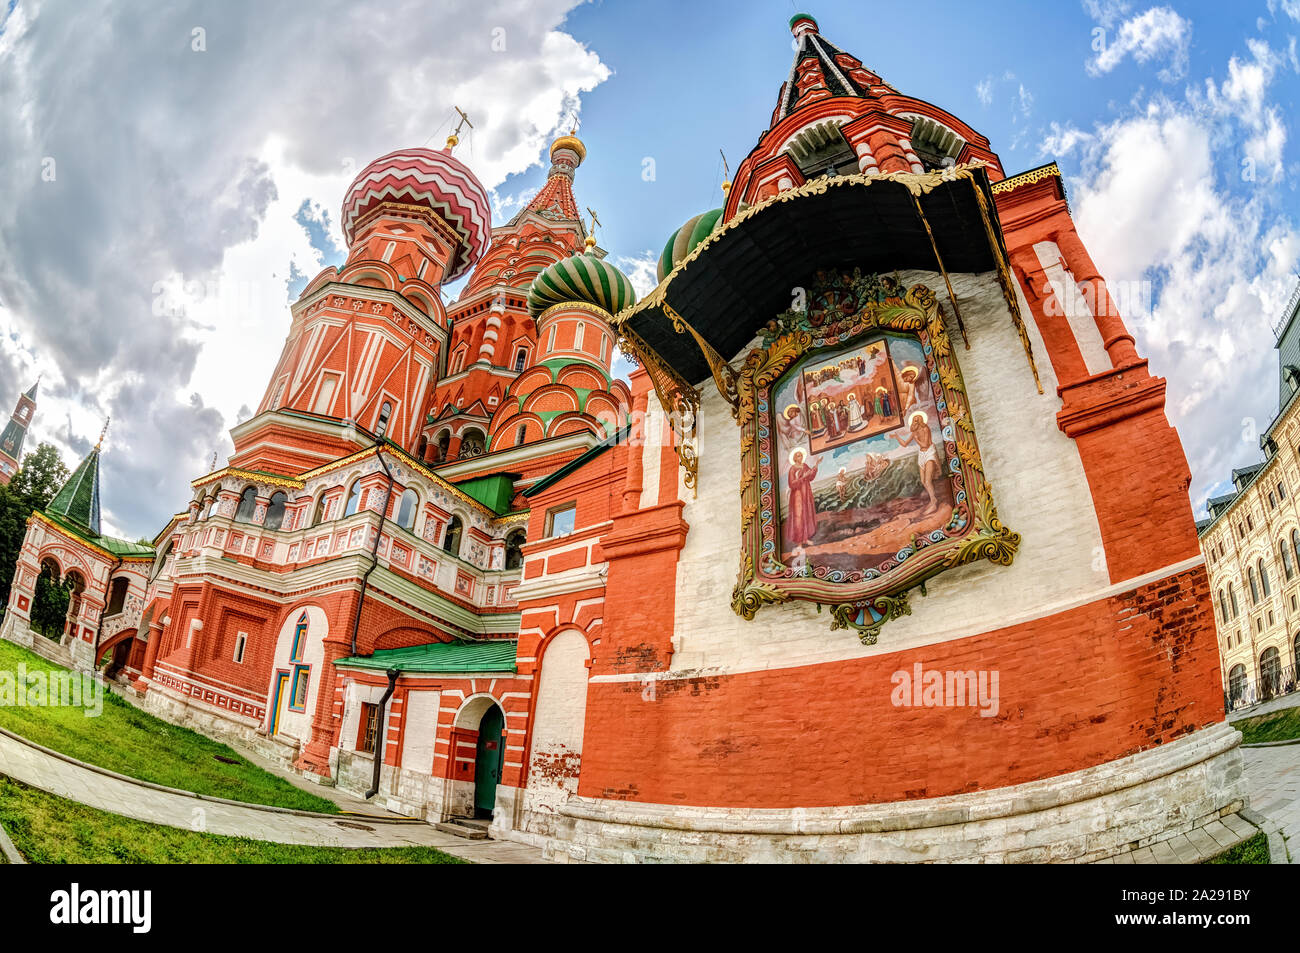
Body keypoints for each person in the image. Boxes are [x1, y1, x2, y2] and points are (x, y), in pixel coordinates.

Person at [890, 410, 943, 516]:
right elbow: (905, 444)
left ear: (921, 421)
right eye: (914, 421)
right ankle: (933, 500)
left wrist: (916, 439)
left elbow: (925, 444)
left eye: (916, 421)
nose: (914, 423)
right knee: (923, 481)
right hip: (921, 455)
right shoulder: (914, 432)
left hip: (929, 453)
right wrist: (897, 437)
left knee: (928, 481)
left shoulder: (925, 428)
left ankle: (934, 503)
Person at [785, 448, 823, 546]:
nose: (800, 457)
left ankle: (805, 538)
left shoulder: (805, 465)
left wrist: (816, 465)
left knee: (806, 513)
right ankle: (799, 542)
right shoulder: (792, 469)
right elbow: (791, 484)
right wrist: (802, 478)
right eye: (798, 455)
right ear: (794, 458)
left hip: (806, 492)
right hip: (797, 495)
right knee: (799, 516)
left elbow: (810, 476)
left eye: (801, 455)